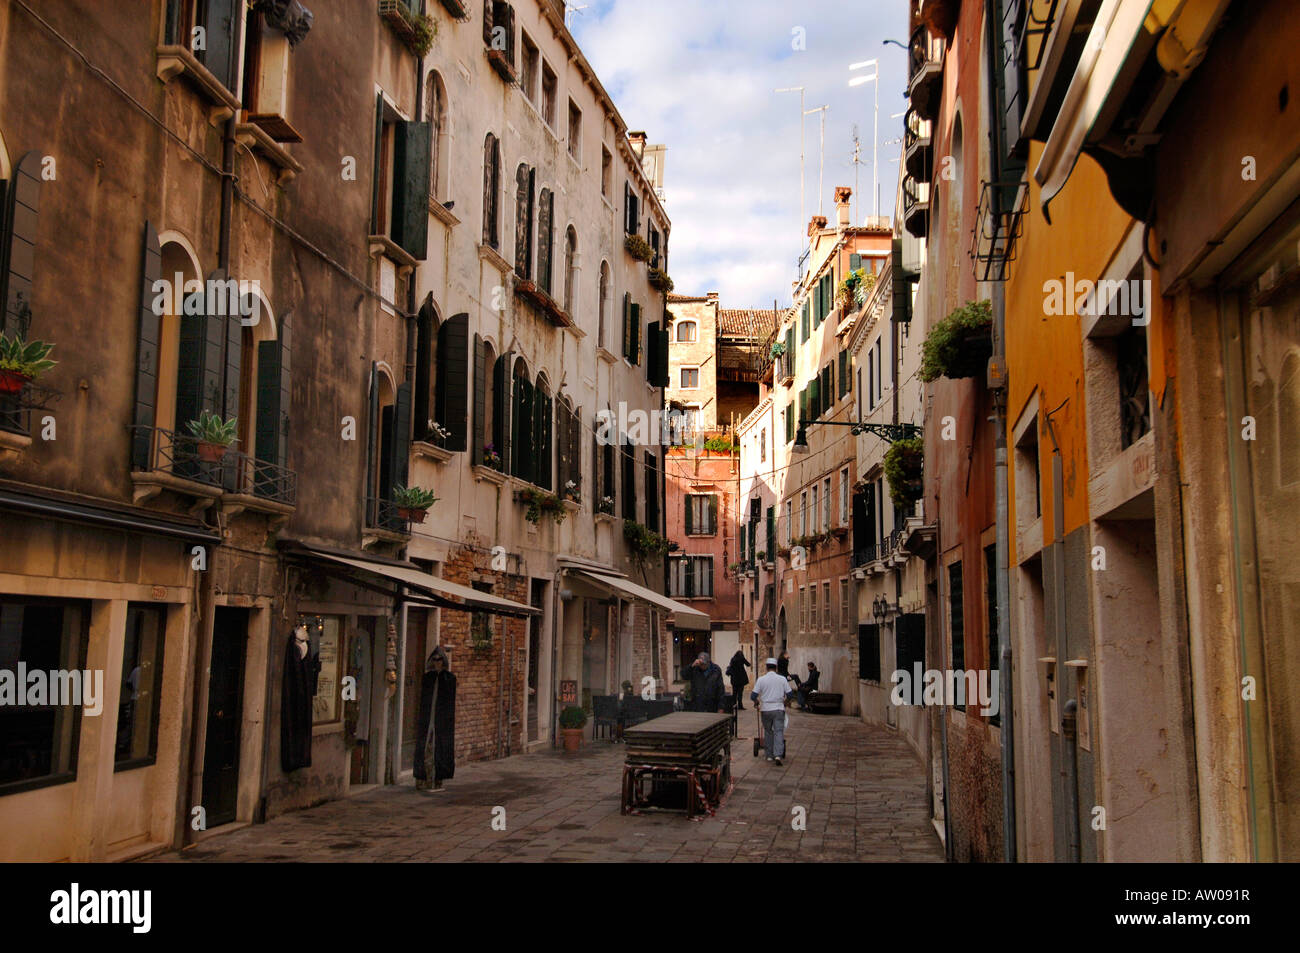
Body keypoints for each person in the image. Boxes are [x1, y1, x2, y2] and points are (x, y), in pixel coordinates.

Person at [415, 646, 456, 791]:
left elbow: (450, 701)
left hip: (442, 719)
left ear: (443, 661)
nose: (437, 662)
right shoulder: (427, 678)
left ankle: (438, 778)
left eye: (439, 660)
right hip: (428, 717)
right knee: (424, 747)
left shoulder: (450, 679)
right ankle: (421, 776)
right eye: (435, 660)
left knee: (440, 748)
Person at [750, 658, 793, 765]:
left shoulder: (761, 679)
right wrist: (786, 702)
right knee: (779, 731)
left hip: (766, 709)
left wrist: (756, 702)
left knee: (768, 731)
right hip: (778, 708)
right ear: (776, 667)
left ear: (766, 667)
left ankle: (769, 755)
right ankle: (778, 754)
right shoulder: (782, 679)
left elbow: (753, 695)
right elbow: (790, 694)